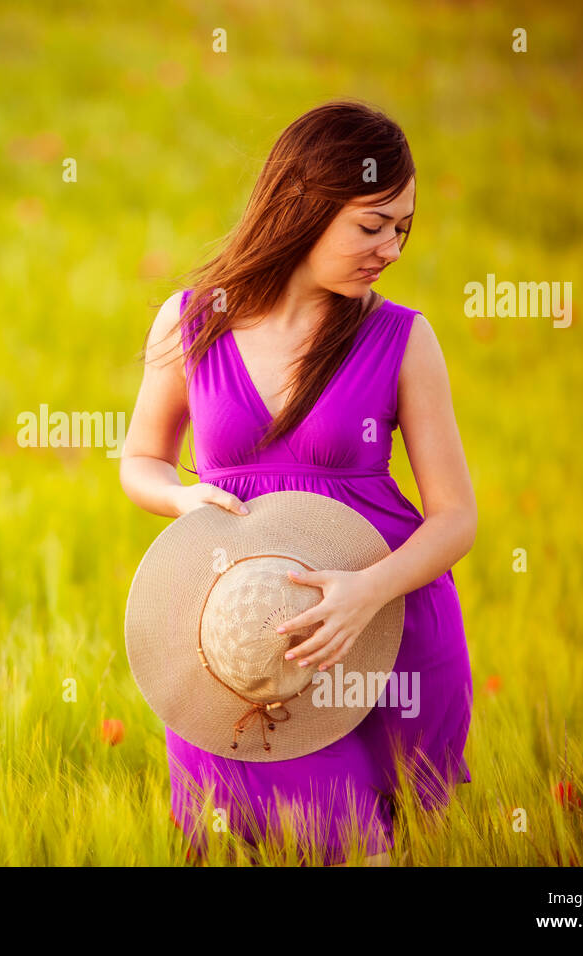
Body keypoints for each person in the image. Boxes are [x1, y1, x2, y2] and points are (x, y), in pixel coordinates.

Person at [118, 100, 475, 866]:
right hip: (237, 642)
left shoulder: (404, 339)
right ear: (303, 207)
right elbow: (140, 460)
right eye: (372, 224)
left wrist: (368, 593)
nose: (391, 248)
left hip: (387, 630)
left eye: (403, 227)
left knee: (372, 850)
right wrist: (181, 498)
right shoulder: (190, 323)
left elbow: (455, 519)